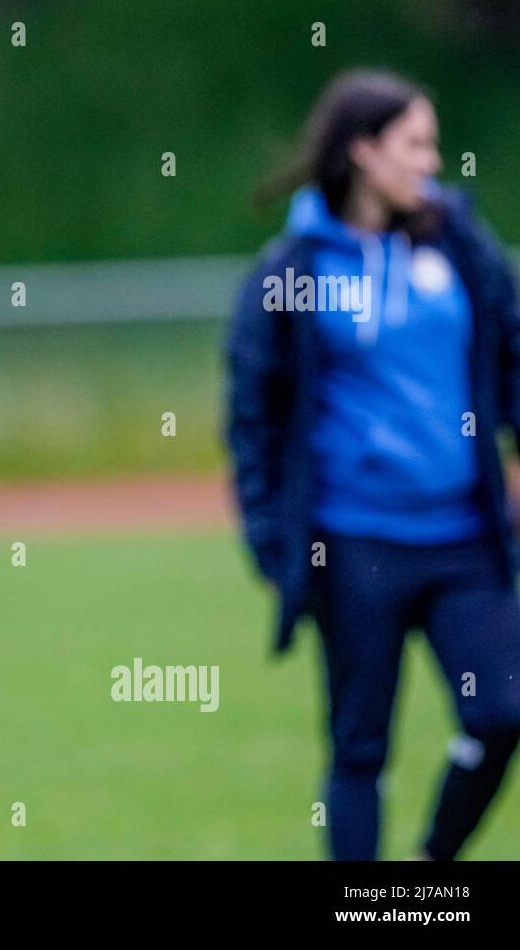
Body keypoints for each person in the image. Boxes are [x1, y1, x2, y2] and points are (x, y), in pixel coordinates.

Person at [225, 69, 520, 860]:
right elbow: (251, 412)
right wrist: (272, 541)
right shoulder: (294, 266)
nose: (432, 161)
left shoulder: (459, 241)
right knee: (361, 750)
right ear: (362, 151)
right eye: (415, 144)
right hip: (354, 544)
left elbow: (514, 349)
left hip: (465, 539)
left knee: (501, 712)